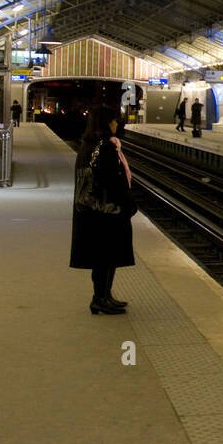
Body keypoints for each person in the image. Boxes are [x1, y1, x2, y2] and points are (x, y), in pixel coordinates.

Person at [70, 106, 135, 316]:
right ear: (107, 123)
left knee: (104, 256)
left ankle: (104, 296)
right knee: (106, 257)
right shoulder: (105, 147)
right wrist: (127, 205)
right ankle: (99, 298)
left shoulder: (88, 145)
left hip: (91, 210)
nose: (117, 124)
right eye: (114, 120)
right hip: (106, 211)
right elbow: (111, 180)